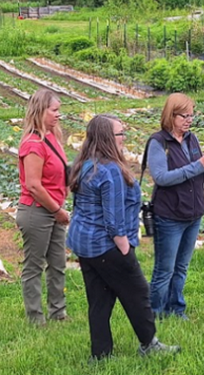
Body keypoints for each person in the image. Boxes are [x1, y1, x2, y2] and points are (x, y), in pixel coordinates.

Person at [67, 115, 180, 360]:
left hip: (84, 243)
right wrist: (125, 248)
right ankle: (149, 345)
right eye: (120, 134)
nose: (123, 138)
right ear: (108, 137)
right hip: (106, 246)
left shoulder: (86, 163)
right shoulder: (111, 171)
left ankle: (101, 354)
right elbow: (114, 221)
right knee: (138, 294)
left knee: (99, 300)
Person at [144, 93, 204, 320]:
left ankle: (176, 309)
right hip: (169, 216)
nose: (189, 120)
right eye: (184, 115)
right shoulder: (158, 142)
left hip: (193, 213)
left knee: (181, 267)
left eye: (192, 115)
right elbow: (161, 177)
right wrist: (196, 166)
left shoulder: (192, 139)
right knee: (164, 270)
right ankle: (155, 314)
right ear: (171, 115)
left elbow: (200, 177)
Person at [16, 88, 69, 325]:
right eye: (54, 110)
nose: (59, 115)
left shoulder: (51, 138)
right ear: (40, 111)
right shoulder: (33, 144)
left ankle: (58, 312)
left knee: (58, 264)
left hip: (53, 210)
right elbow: (34, 185)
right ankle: (35, 318)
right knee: (34, 266)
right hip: (37, 211)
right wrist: (57, 211)